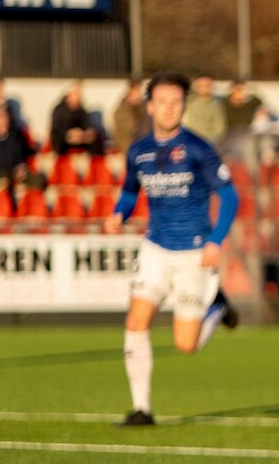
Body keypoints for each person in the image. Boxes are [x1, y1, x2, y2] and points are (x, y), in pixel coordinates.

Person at [103, 73, 241, 426]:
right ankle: (141, 409)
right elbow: (132, 191)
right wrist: (119, 214)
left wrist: (215, 240)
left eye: (176, 102)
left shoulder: (198, 148)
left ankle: (216, 306)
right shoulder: (139, 150)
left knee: (186, 345)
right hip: (155, 249)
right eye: (163, 101)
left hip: (193, 253)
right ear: (149, 106)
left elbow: (228, 196)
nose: (169, 108)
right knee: (136, 321)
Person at [51, 80, 104, 156]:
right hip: (64, 140)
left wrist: (86, 134)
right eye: (76, 94)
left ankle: (96, 164)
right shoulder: (58, 110)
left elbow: (86, 125)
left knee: (96, 139)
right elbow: (55, 129)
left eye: (79, 95)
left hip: (80, 139)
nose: (78, 97)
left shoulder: (82, 111)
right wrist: (68, 134)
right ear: (69, 95)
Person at [184, 75, 228, 144]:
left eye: (208, 85)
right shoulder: (188, 102)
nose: (205, 88)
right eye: (202, 85)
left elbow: (219, 129)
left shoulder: (216, 106)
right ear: (196, 86)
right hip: (189, 140)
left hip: (208, 142)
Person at [111, 78, 150, 152]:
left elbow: (146, 128)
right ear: (130, 91)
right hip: (126, 147)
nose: (139, 94)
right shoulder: (121, 111)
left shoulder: (140, 108)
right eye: (137, 91)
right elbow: (128, 131)